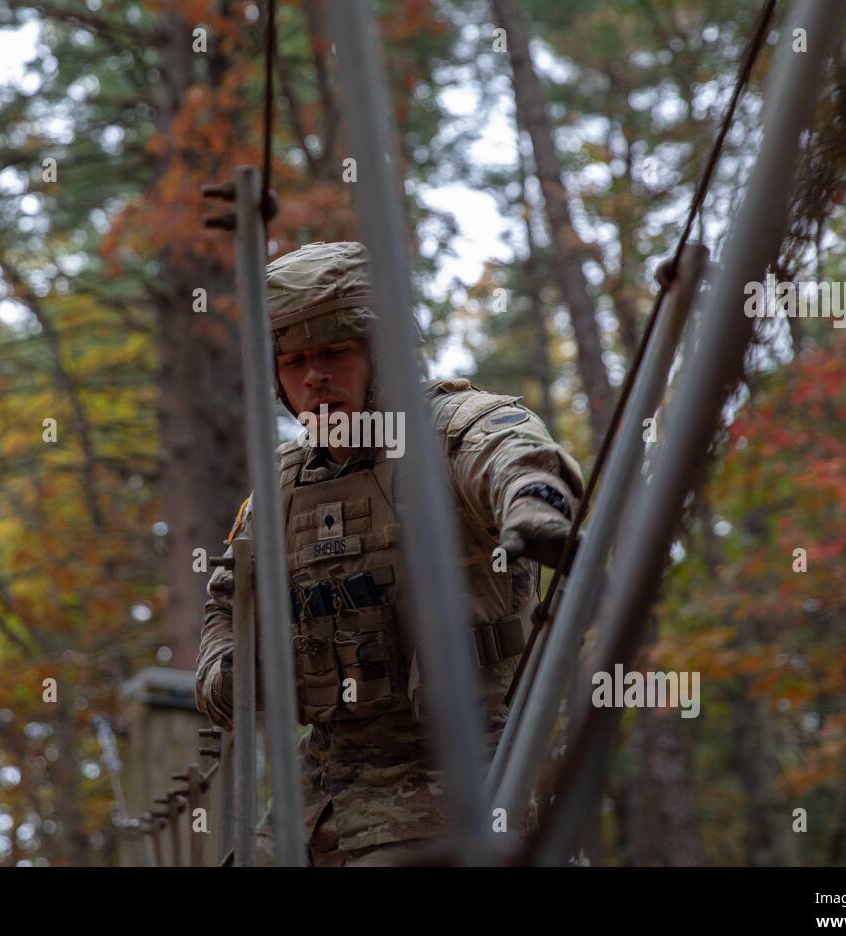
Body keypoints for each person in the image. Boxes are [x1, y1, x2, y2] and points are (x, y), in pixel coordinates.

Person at [194, 239, 584, 865]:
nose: (314, 376)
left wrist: (536, 507)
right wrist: (225, 674)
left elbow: (514, 456)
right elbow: (226, 601)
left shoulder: (446, 429)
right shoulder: (280, 485)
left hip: (455, 783)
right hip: (317, 794)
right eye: (293, 362)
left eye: (335, 353)